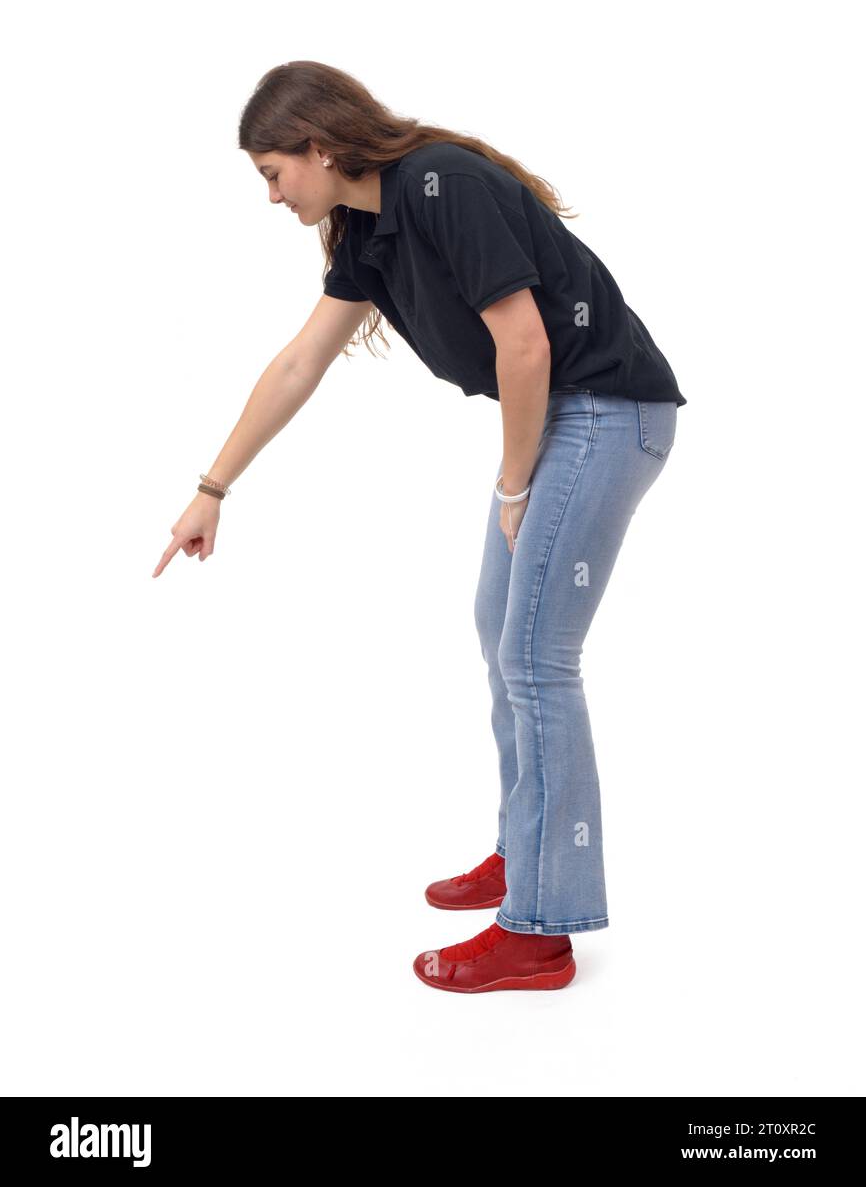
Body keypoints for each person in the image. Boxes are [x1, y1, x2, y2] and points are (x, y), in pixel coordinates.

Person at [153, 60, 687, 995]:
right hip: (563, 418)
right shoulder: (367, 224)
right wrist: (213, 488)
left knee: (536, 659)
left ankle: (541, 930)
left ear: (320, 147)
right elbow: (299, 363)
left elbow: (523, 343)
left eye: (274, 173)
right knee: (503, 637)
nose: (272, 196)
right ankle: (524, 853)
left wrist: (514, 487)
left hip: (606, 412)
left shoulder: (445, 186)